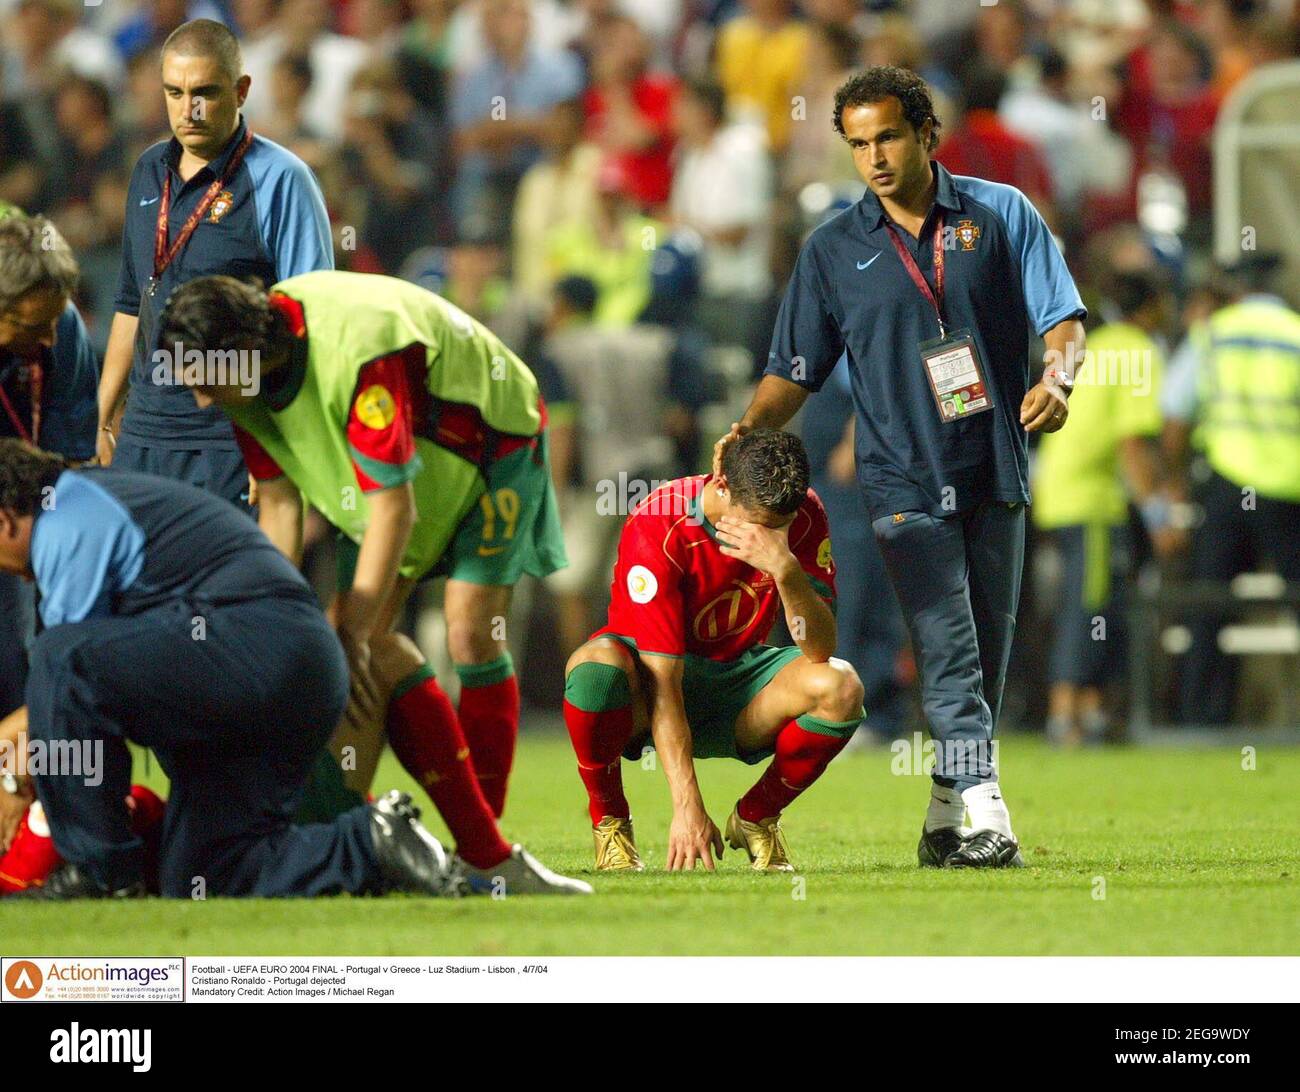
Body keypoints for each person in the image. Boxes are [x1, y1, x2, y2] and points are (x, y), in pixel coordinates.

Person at [716, 66, 1087, 869]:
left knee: (984, 653)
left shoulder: (1003, 214)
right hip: (898, 480)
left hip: (996, 465)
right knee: (949, 645)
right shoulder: (832, 250)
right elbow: (796, 371)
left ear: (927, 134)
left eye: (886, 136)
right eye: (857, 144)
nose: (874, 157)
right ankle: (989, 815)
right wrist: (745, 429)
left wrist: (1056, 379)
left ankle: (946, 815)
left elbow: (1063, 320)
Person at [158, 270, 591, 896]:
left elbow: (395, 509)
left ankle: (485, 847)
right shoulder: (241, 382)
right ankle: (353, 825)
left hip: (490, 439)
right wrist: (275, 621)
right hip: (391, 476)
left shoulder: (359, 353)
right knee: (349, 644)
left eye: (204, 381)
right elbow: (279, 505)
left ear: (245, 352)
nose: (201, 401)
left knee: (466, 631)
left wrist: (356, 627)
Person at [0, 439, 459, 900]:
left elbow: (65, 683)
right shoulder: (91, 500)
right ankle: (373, 841)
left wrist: (9, 767)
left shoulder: (67, 519)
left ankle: (100, 875)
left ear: (3, 520)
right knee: (205, 875)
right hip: (287, 672)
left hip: (260, 652)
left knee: (61, 659)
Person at [564, 429, 864, 873]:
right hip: (649, 689)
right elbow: (664, 679)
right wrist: (687, 807)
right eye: (759, 524)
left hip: (737, 680)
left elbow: (819, 647)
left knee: (840, 685)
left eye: (779, 526)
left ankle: (756, 817)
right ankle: (610, 822)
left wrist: (785, 570)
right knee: (594, 670)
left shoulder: (801, 514)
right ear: (721, 485)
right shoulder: (660, 521)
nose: (769, 535)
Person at [97, 19, 333, 512]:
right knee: (141, 587)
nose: (190, 109)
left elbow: (310, 321)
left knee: (223, 588)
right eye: (175, 92)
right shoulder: (146, 171)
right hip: (145, 431)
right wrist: (102, 415)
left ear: (242, 90)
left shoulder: (281, 179)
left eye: (205, 92)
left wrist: (278, 445)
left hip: (232, 435)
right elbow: (130, 300)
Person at [1033, 269, 1173, 745]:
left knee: (1093, 603)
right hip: (1090, 498)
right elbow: (1131, 441)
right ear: (1152, 305)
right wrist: (1157, 511)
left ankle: (1088, 711)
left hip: (1058, 488)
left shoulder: (1099, 342)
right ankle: (1065, 713)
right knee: (1087, 604)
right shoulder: (1137, 348)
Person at [1163, 256, 1300, 726]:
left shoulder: (1214, 333)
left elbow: (1175, 410)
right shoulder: (1294, 334)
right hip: (1288, 488)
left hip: (1225, 485)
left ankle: (1202, 718)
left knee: (1210, 605)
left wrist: (1176, 480)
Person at [0, 214, 98, 720]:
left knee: (18, 659)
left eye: (53, 323)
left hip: (23, 519)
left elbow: (71, 463)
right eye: (31, 327)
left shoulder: (63, 329)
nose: (49, 341)